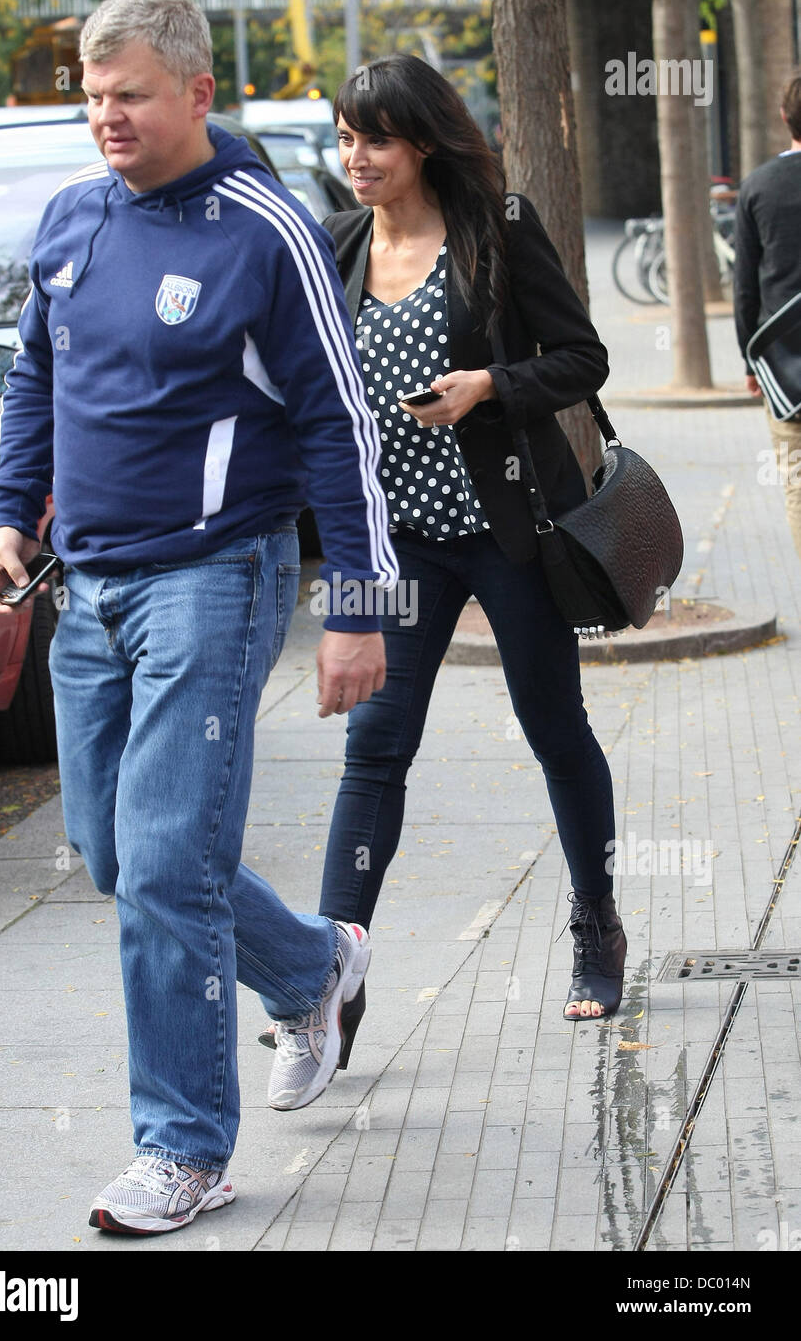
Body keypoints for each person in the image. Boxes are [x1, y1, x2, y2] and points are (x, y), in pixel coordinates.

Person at [0, 0, 397, 1235]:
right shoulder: (71, 218)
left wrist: (359, 607)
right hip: (88, 588)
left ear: (199, 94)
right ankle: (313, 964)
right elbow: (38, 377)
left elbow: (340, 423)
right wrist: (11, 510)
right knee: (120, 856)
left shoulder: (262, 228)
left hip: (215, 578)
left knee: (165, 866)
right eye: (93, 98)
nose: (106, 119)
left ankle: (183, 1149)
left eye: (131, 98)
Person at [260, 54, 627, 1078]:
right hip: (386, 542)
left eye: (373, 138)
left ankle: (595, 921)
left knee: (555, 727)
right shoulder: (334, 247)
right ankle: (325, 985)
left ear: (421, 140)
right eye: (342, 138)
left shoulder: (494, 230)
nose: (355, 158)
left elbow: (582, 358)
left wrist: (486, 387)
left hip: (504, 530)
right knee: (372, 749)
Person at [734, 71, 801, 560]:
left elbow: (745, 290)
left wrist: (750, 362)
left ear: (784, 118)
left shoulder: (758, 186)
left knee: (797, 484)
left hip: (785, 367)